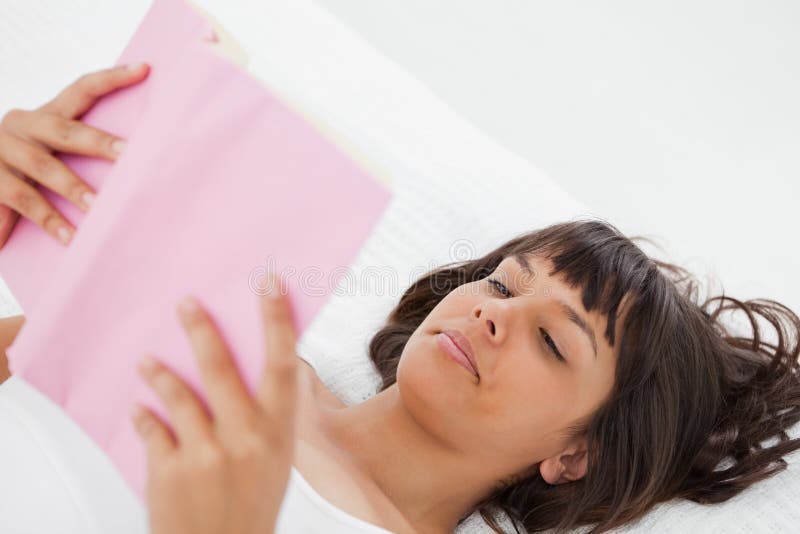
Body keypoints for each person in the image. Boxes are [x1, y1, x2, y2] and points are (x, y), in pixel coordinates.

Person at [1, 65, 799, 534]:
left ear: (576, 455)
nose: (492, 311)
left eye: (553, 341)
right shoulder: (235, 349)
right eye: (502, 283)